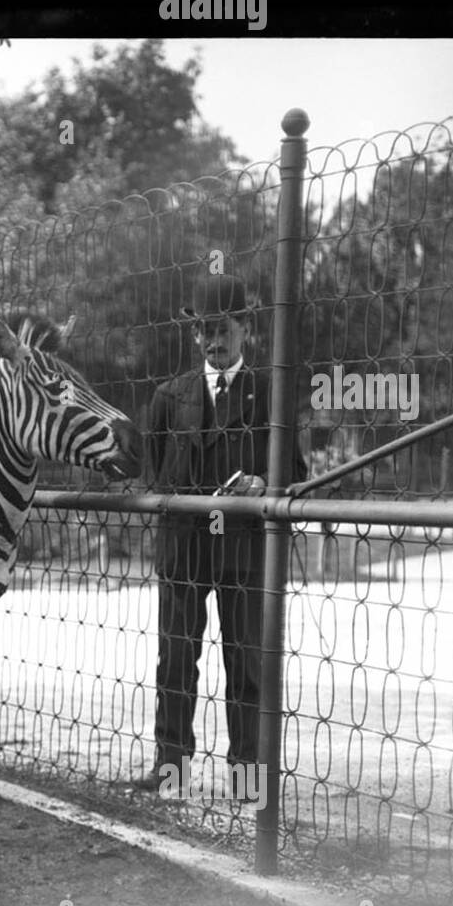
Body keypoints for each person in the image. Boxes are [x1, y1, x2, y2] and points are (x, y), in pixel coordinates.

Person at [132, 273, 307, 801]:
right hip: (184, 549)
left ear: (245, 330)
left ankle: (247, 778)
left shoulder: (271, 395)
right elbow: (152, 475)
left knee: (246, 662)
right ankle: (171, 773)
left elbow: (294, 473)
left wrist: (264, 484)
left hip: (243, 550)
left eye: (222, 329)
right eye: (204, 331)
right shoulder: (169, 396)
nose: (213, 341)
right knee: (176, 659)